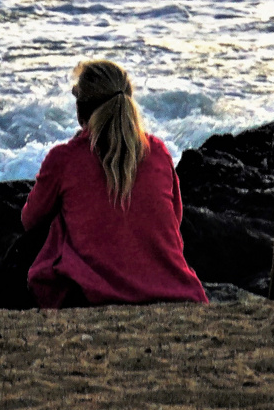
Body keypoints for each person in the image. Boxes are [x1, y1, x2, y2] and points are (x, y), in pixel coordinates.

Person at [21, 59, 208, 308]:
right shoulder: (159, 153)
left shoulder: (65, 159)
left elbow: (29, 219)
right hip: (175, 289)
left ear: (81, 109)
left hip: (93, 294)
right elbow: (174, 219)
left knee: (55, 226)